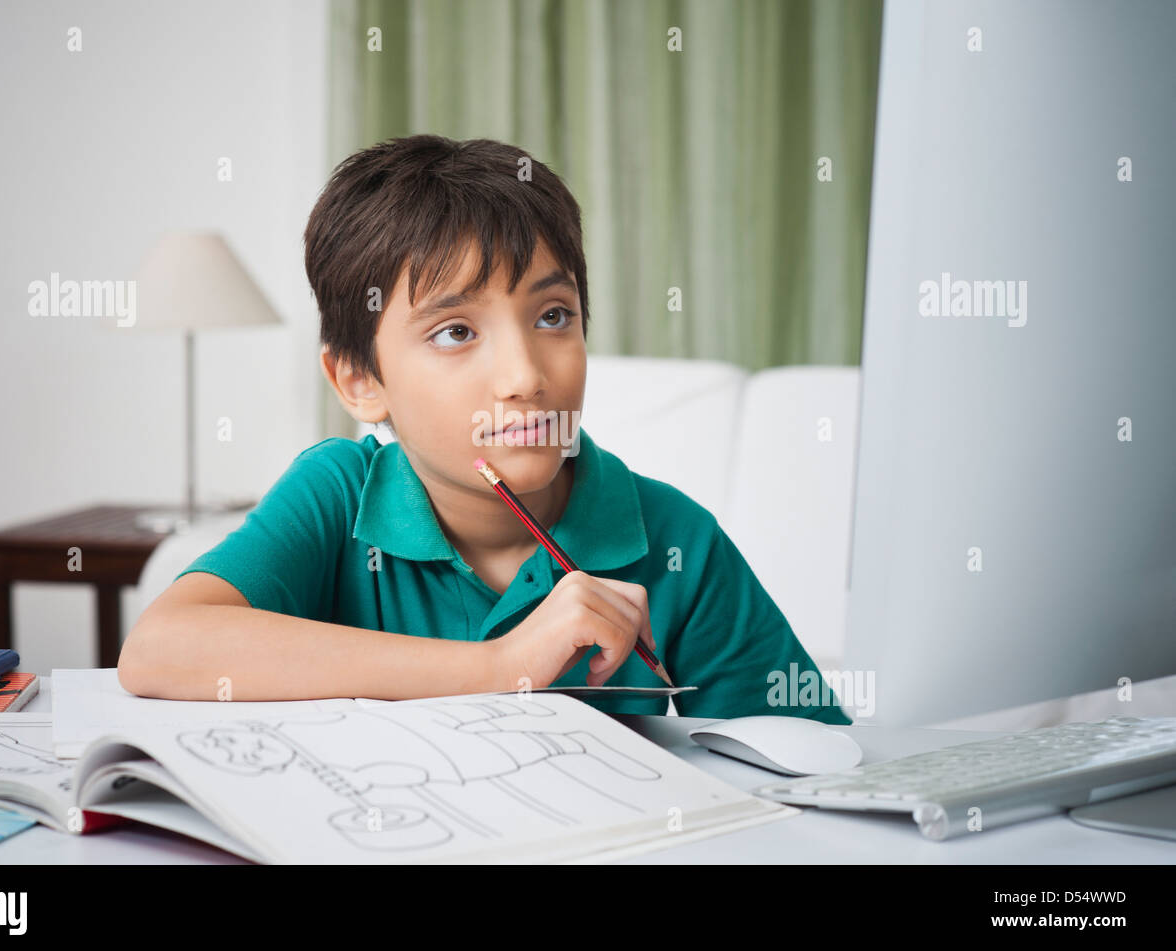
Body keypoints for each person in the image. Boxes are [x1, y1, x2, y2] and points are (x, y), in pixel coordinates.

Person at [118, 134, 851, 724]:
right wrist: (501, 667)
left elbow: (813, 765)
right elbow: (160, 647)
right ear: (360, 380)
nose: (525, 376)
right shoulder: (338, 495)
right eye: (456, 331)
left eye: (553, 316)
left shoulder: (676, 539)